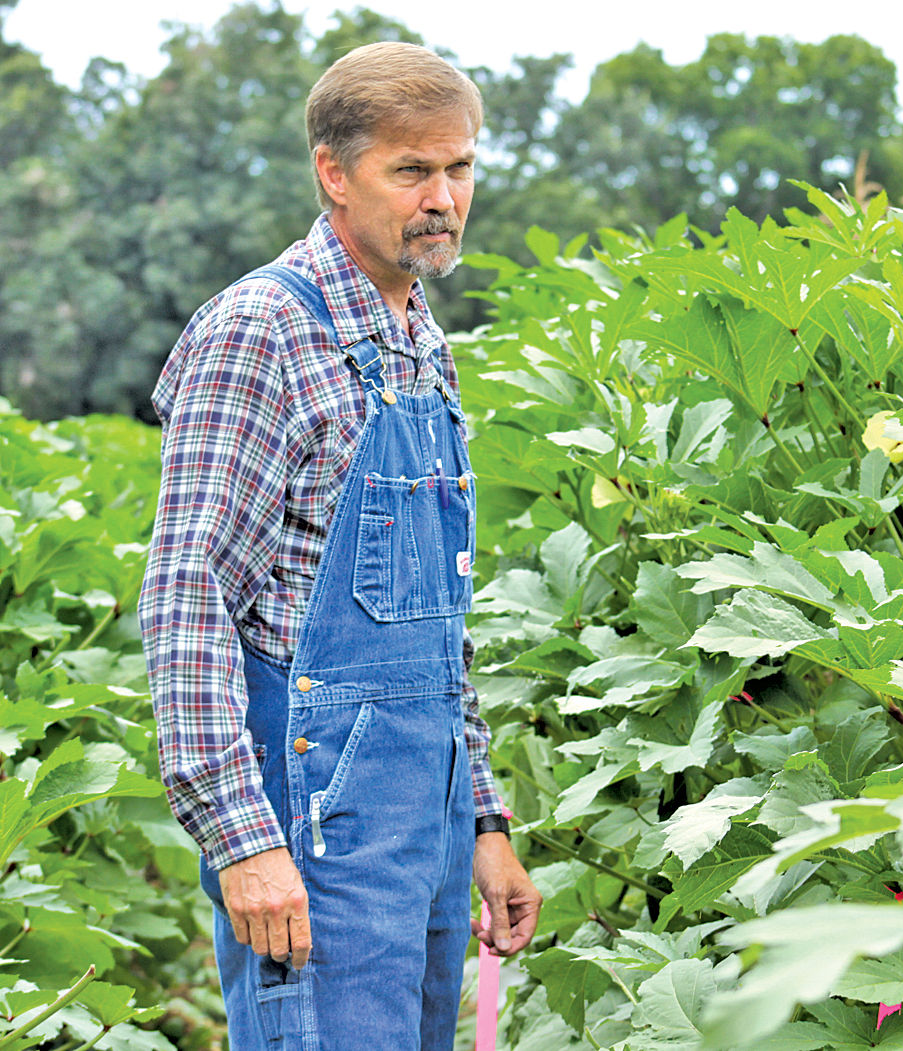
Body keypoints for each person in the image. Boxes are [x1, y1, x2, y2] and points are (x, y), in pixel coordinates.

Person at [138, 41, 540, 1049]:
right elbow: (188, 603)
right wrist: (240, 841)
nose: (442, 196)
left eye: (459, 168)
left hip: (430, 823)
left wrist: (484, 821)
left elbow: (439, 624)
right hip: (313, 827)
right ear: (335, 173)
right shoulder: (262, 329)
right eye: (410, 171)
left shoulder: (422, 340)